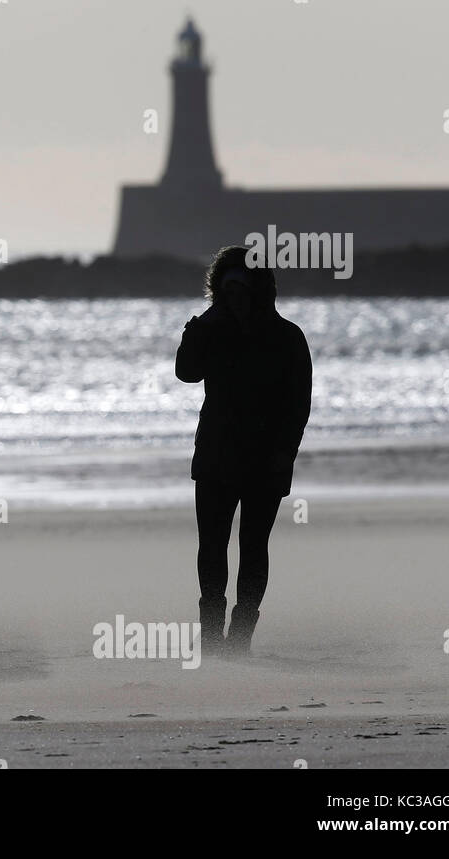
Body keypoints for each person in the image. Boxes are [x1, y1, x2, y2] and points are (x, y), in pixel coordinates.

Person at [175, 245, 312, 656]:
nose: (235, 292)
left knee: (253, 547)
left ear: (260, 287)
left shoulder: (287, 336)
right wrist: (210, 318)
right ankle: (213, 638)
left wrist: (284, 453)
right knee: (212, 547)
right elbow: (185, 372)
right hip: (217, 454)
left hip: (266, 459)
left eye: (242, 284)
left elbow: (298, 405)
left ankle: (241, 637)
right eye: (226, 284)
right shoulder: (211, 329)